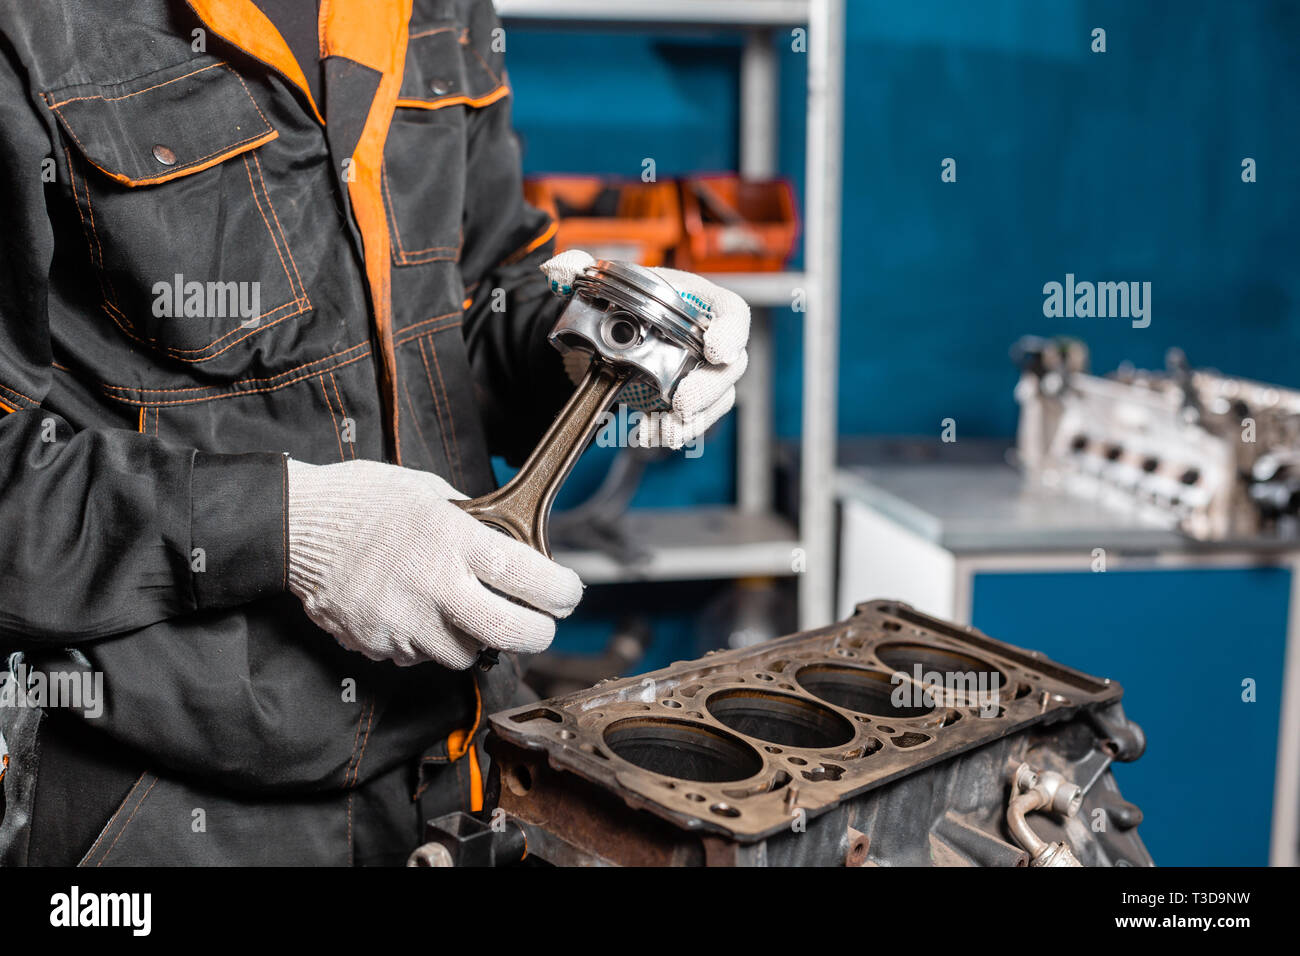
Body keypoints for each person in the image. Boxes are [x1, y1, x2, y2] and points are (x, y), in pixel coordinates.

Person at [0, 0, 749, 865]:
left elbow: (473, 296)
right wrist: (290, 528)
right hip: (169, 812)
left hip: (459, 761)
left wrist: (595, 346)